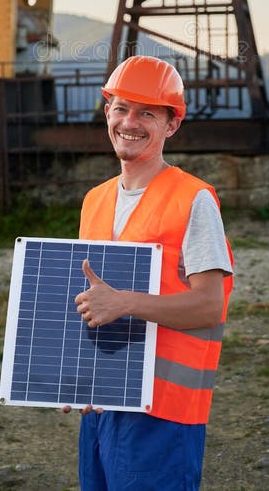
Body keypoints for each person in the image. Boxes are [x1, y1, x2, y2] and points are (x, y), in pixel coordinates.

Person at [73, 55, 233, 490]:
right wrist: (74, 378)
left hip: (163, 416)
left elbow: (209, 305)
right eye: (122, 108)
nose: (131, 121)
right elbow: (91, 301)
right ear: (107, 112)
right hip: (102, 407)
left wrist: (122, 303)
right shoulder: (95, 200)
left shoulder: (193, 200)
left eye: (148, 112)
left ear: (171, 125)